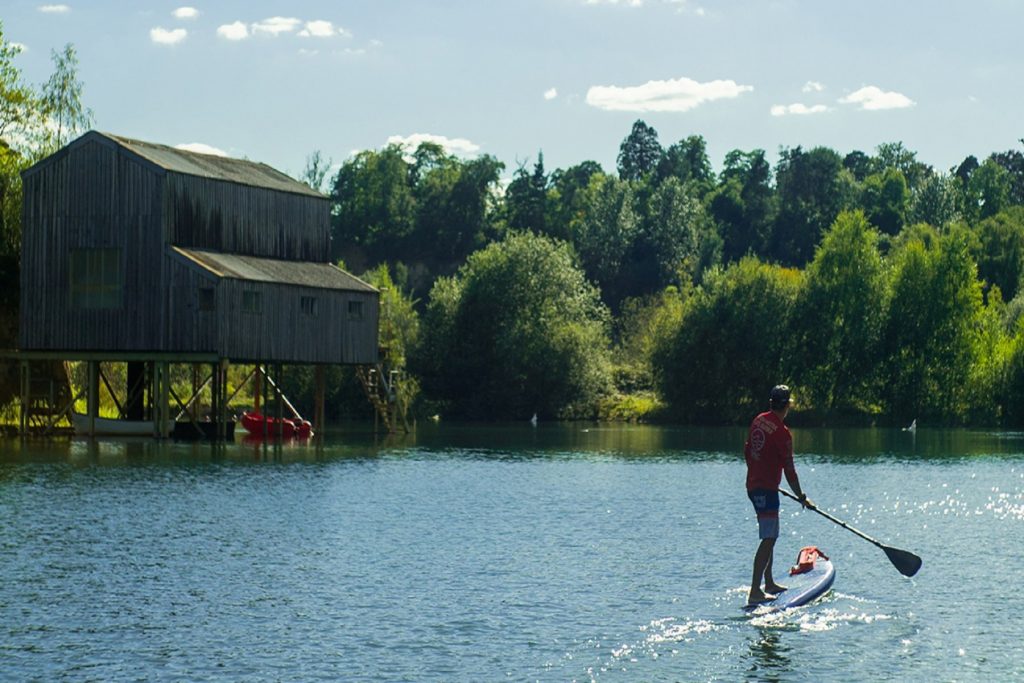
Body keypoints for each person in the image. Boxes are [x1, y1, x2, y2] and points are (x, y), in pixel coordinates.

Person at [745, 384, 813, 605]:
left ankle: (770, 582)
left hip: (754, 487)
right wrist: (801, 496)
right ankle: (755, 590)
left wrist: (760, 476)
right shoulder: (783, 434)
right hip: (765, 489)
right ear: (788, 405)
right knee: (769, 538)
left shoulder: (758, 420)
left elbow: (748, 451)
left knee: (769, 534)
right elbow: (790, 471)